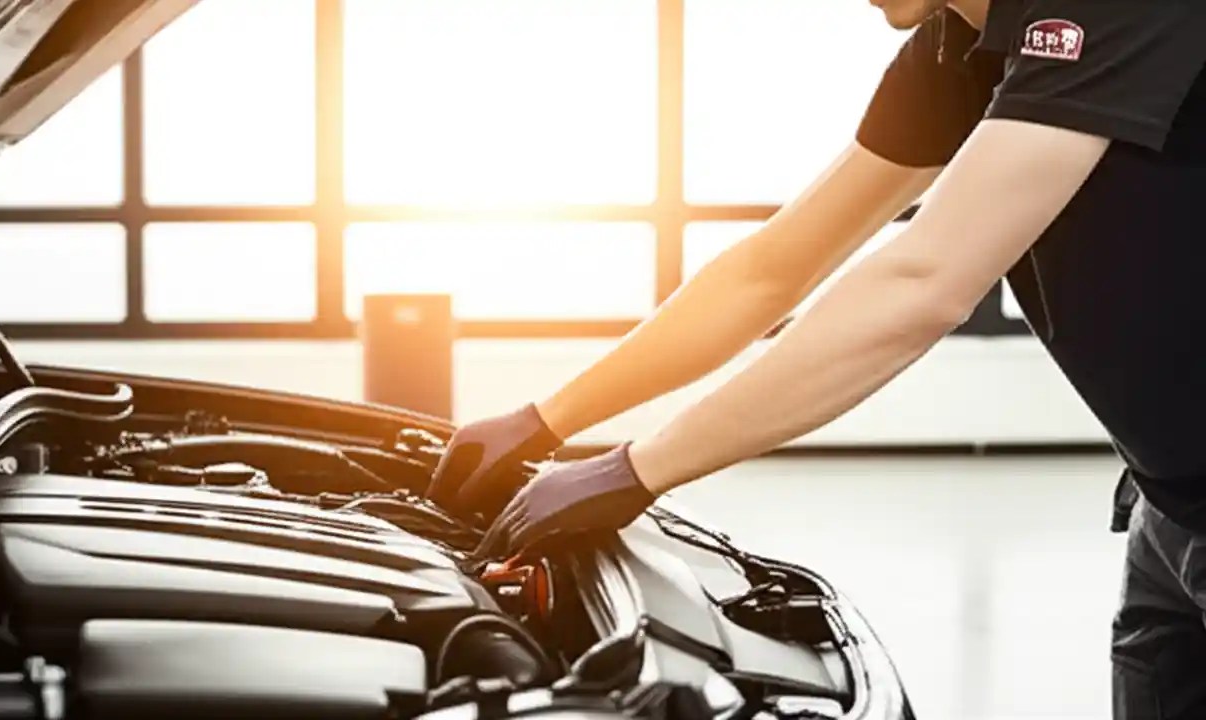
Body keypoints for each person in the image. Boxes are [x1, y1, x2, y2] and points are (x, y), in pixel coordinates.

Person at [427, 1, 1206, 717]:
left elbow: (923, 284)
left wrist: (637, 469)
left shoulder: (1118, 9)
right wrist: (546, 420)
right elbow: (769, 271)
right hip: (1166, 506)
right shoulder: (954, 54)